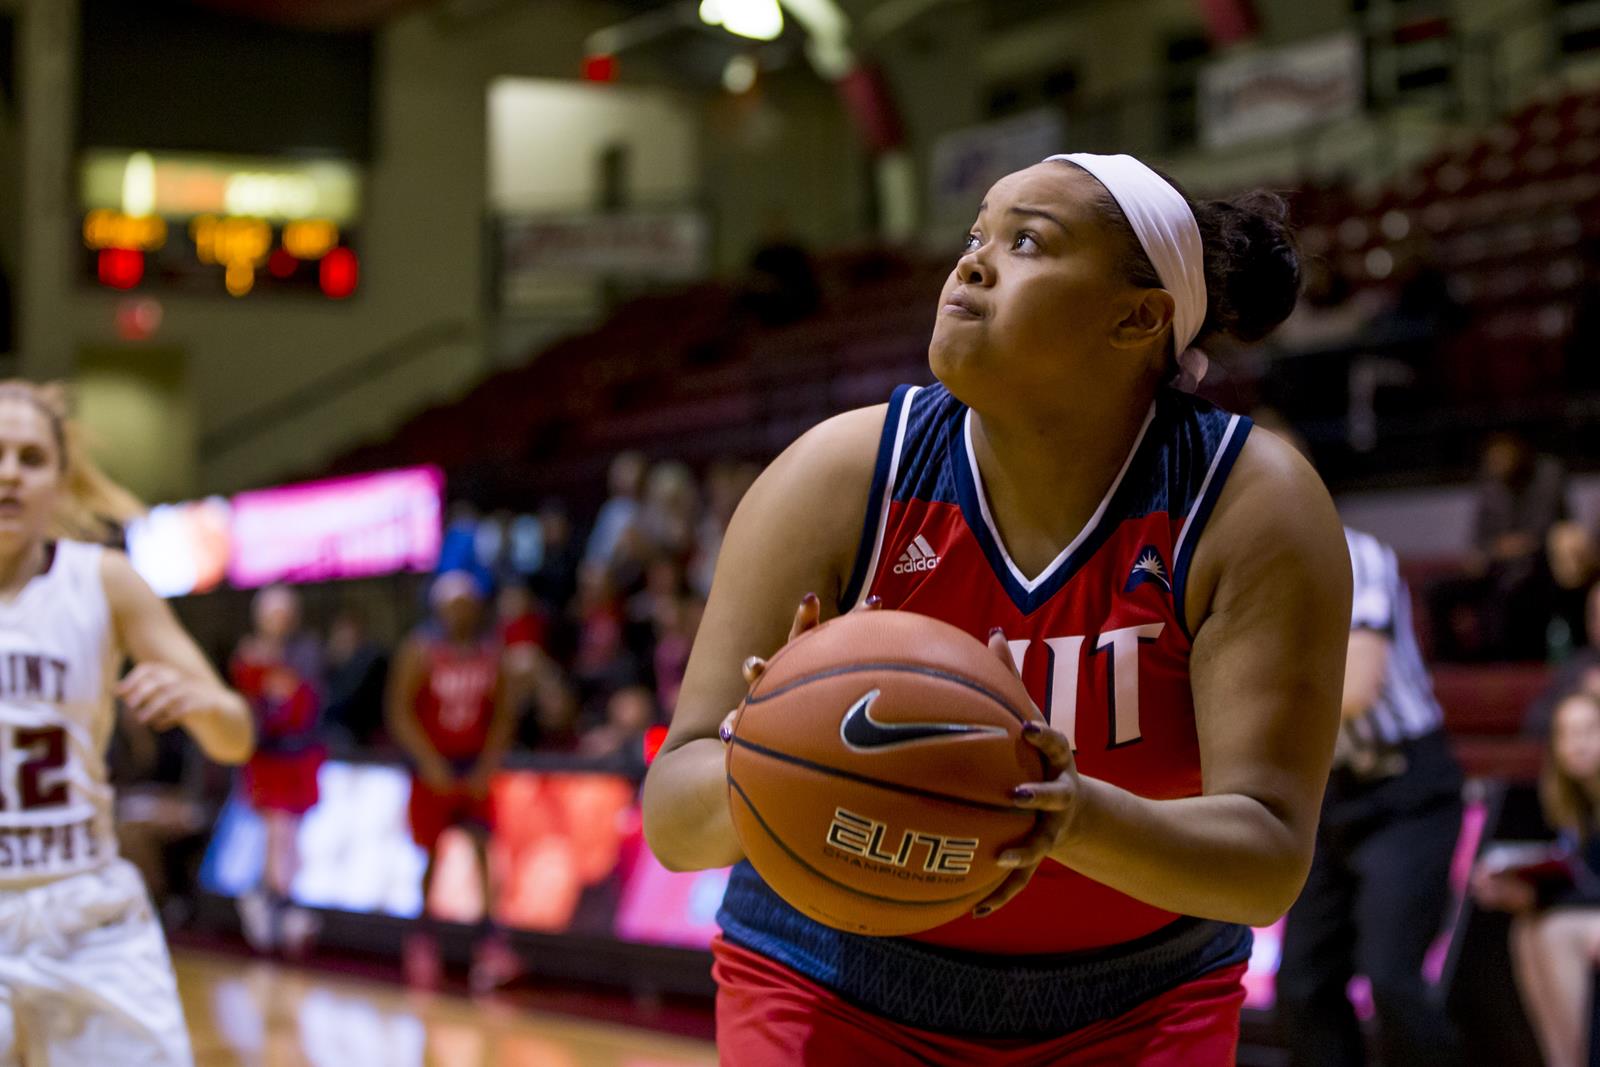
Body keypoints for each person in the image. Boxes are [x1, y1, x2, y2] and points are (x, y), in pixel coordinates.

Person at [642, 153, 1350, 1063]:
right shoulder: (841, 473)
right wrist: (773, 753)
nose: (971, 263)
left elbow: (1265, 861)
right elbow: (672, 814)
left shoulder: (1248, 504)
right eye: (976, 235)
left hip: (1137, 1001)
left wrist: (1071, 817)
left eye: (1026, 242)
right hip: (832, 979)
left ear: (1140, 315)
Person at [0, 379, 254, 1066]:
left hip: (81, 911)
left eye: (30, 457)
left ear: (60, 480)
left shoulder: (103, 580)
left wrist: (198, 702)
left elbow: (235, 731)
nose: (9, 474)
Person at [1275, 525, 1464, 1067]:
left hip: (1403, 790)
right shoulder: (1232, 563)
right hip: (1329, 792)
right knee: (1303, 986)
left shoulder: (1352, 551)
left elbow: (1357, 688)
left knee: (1391, 980)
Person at [386, 570, 519, 994]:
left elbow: (503, 715)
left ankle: (490, 943)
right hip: (433, 768)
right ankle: (422, 938)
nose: (460, 612)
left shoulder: (488, 652)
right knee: (429, 856)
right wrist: (427, 761)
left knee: (484, 849)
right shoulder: (419, 649)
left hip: (471, 764)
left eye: (467, 604)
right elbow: (399, 711)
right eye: (453, 604)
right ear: (439, 606)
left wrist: (487, 764)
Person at [1473, 690, 1600, 1067]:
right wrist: (1524, 894)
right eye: (1566, 734)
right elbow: (1584, 884)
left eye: (1588, 731)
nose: (1576, 744)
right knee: (1528, 931)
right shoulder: (1577, 806)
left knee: (1556, 931)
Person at [229, 584, 325, 958]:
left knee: (292, 838)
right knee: (277, 833)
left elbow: (311, 706)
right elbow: (248, 713)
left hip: (300, 757)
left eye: (284, 612)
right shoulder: (248, 656)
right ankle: (271, 904)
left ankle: (277, 904)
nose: (279, 620)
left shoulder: (305, 654)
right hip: (267, 758)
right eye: (272, 613)